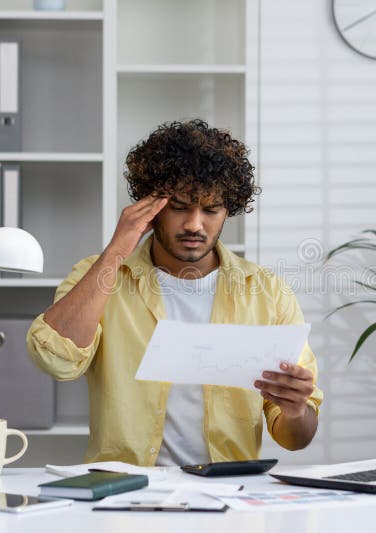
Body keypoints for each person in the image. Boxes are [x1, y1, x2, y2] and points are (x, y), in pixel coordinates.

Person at [26, 119, 323, 466]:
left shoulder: (267, 293)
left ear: (229, 210)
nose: (195, 224)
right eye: (180, 207)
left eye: (211, 210)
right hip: (126, 494)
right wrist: (117, 251)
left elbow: (297, 439)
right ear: (152, 205)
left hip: (228, 496)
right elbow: (54, 361)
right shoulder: (101, 275)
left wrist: (296, 409)